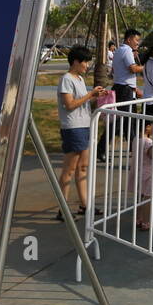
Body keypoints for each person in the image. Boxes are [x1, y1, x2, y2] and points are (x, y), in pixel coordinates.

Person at [57, 45, 106, 219]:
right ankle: (62, 208)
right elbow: (69, 104)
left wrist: (95, 96)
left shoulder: (79, 79)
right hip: (73, 127)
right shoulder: (67, 79)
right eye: (85, 62)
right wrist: (90, 94)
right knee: (69, 170)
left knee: (83, 167)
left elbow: (81, 102)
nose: (87, 65)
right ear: (76, 61)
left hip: (84, 126)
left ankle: (85, 205)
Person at [110, 29, 144, 141]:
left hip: (123, 87)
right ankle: (101, 147)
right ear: (129, 39)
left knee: (128, 120)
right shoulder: (127, 50)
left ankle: (132, 145)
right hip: (124, 90)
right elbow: (133, 68)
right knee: (125, 120)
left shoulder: (120, 50)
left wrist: (134, 89)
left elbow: (123, 71)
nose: (138, 43)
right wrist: (145, 67)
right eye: (136, 40)